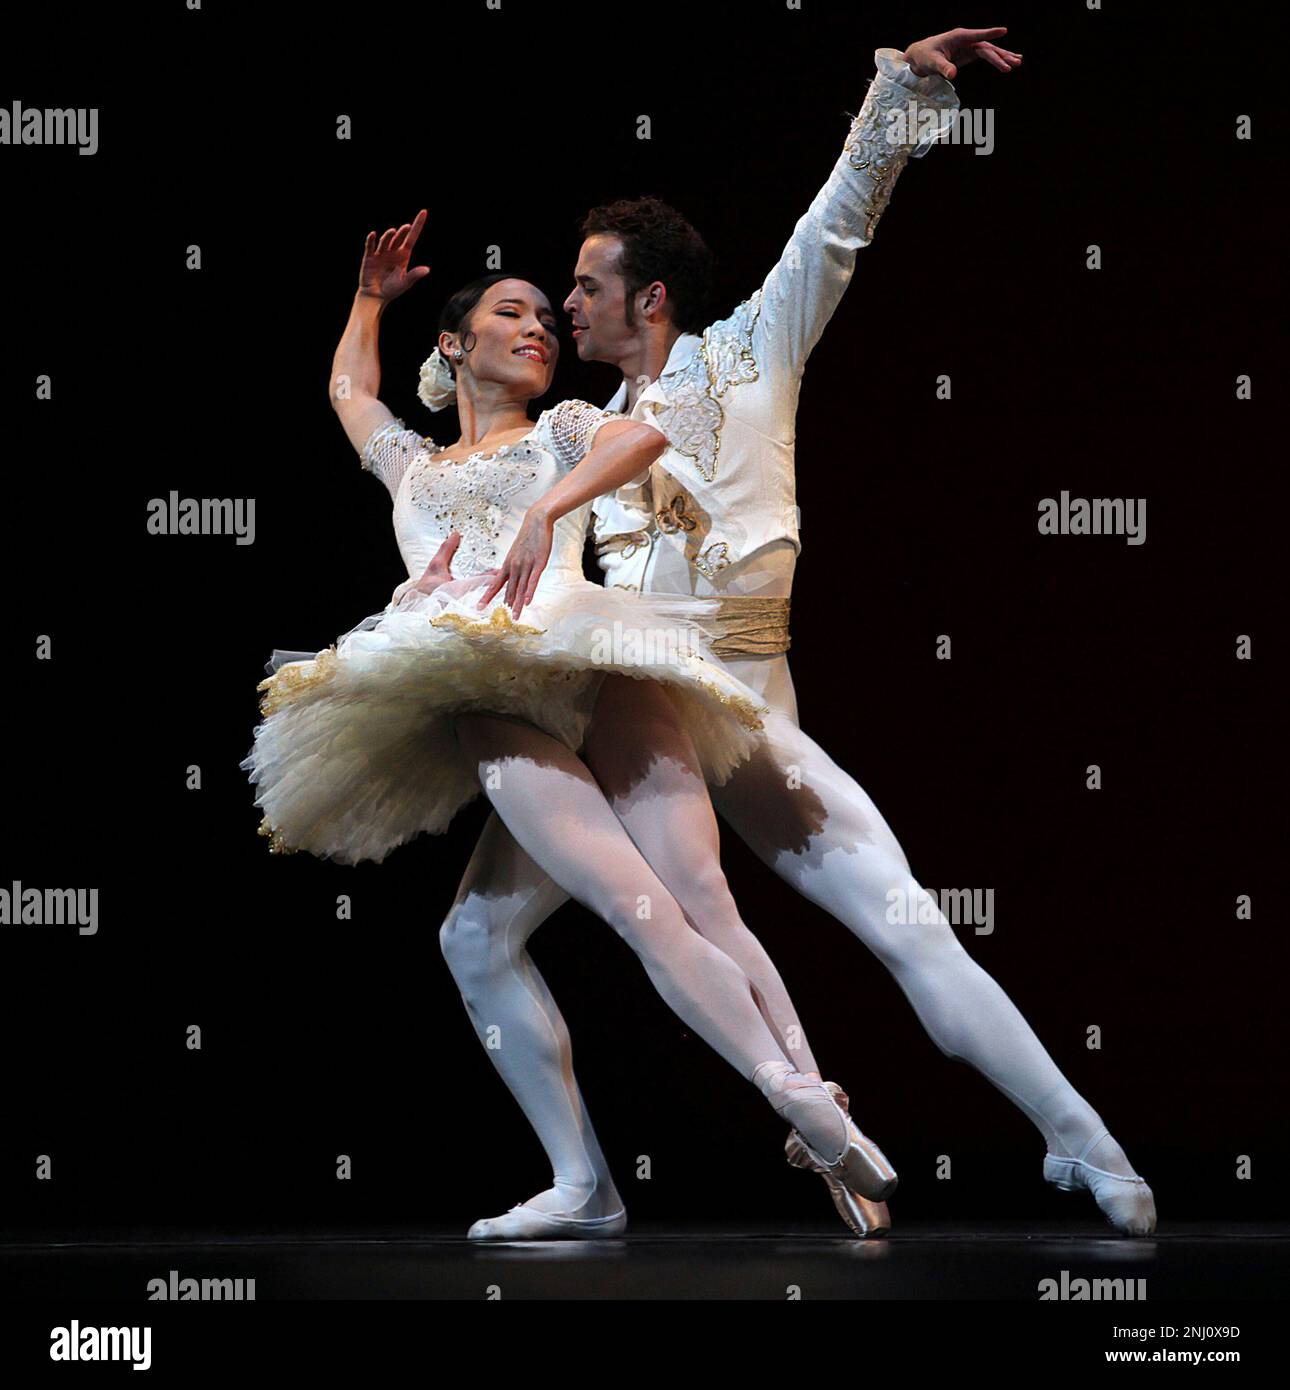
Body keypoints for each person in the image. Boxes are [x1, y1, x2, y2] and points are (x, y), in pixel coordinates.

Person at [441, 27, 1158, 1240]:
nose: (566, 302)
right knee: (478, 932)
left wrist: (905, 88)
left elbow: (837, 220)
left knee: (904, 920)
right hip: (630, 717)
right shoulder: (576, 426)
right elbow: (468, 490)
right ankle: (590, 1181)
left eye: (585, 284)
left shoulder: (749, 350)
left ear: (648, 296)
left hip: (744, 711)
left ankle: (1089, 1148)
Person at [241, 223, 902, 1236]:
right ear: (454, 345)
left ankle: (803, 1103)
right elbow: (350, 395)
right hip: (481, 677)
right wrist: (370, 301)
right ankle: (592, 1182)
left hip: (573, 660)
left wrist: (550, 508)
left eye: (551, 317)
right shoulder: (412, 465)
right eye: (512, 312)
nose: (541, 327)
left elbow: (640, 438)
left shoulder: (560, 429)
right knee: (477, 933)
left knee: (685, 899)